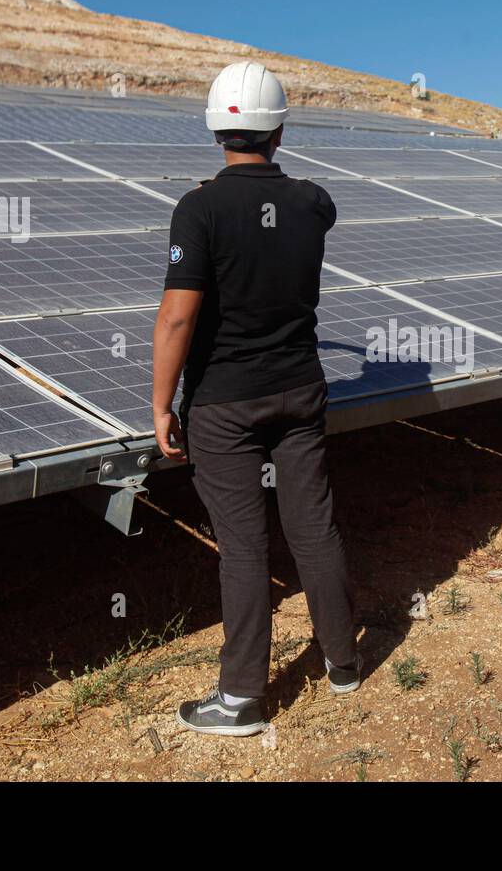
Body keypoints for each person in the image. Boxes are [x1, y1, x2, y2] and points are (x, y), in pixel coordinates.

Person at [152, 61, 361, 737]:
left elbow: (179, 318)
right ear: (279, 129)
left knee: (244, 547)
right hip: (300, 391)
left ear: (215, 126)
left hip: (225, 405)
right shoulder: (313, 202)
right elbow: (294, 221)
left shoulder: (201, 207)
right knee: (313, 527)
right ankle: (344, 661)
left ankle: (241, 699)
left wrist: (162, 404)